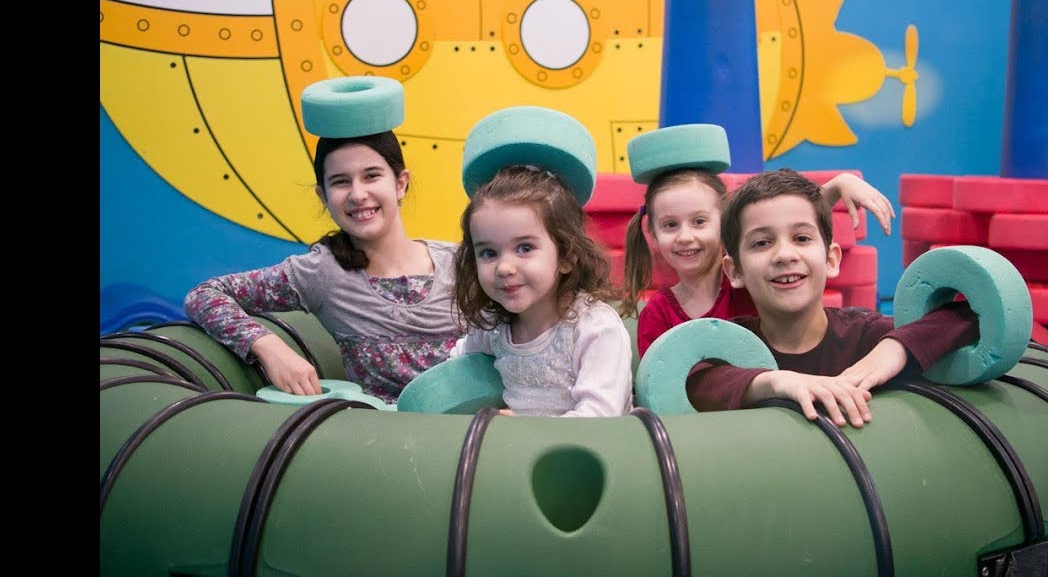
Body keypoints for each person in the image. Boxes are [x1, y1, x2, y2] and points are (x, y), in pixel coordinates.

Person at [183, 130, 465, 405]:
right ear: (323, 196)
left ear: (400, 183)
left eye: (371, 176)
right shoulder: (321, 272)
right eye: (341, 182)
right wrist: (269, 346)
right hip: (380, 429)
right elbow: (204, 295)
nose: (358, 194)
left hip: (472, 426)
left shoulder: (462, 263)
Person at [685, 168, 979, 426]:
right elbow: (698, 380)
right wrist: (774, 381)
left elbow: (971, 315)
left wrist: (893, 350)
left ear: (831, 259)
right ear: (735, 271)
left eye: (801, 238)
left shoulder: (864, 336)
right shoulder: (729, 345)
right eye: (762, 243)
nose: (785, 254)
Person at [619, 168, 895, 359]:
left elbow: (782, 221)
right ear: (653, 233)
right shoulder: (658, 314)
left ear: (724, 224)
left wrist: (837, 186)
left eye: (699, 221)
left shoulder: (747, 284)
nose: (685, 237)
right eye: (670, 225)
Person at [451, 164, 634, 417]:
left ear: (566, 256)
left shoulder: (595, 328)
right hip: (516, 440)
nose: (504, 268)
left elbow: (599, 417)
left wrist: (525, 432)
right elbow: (457, 366)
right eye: (489, 253)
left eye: (524, 248)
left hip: (592, 443)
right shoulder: (493, 326)